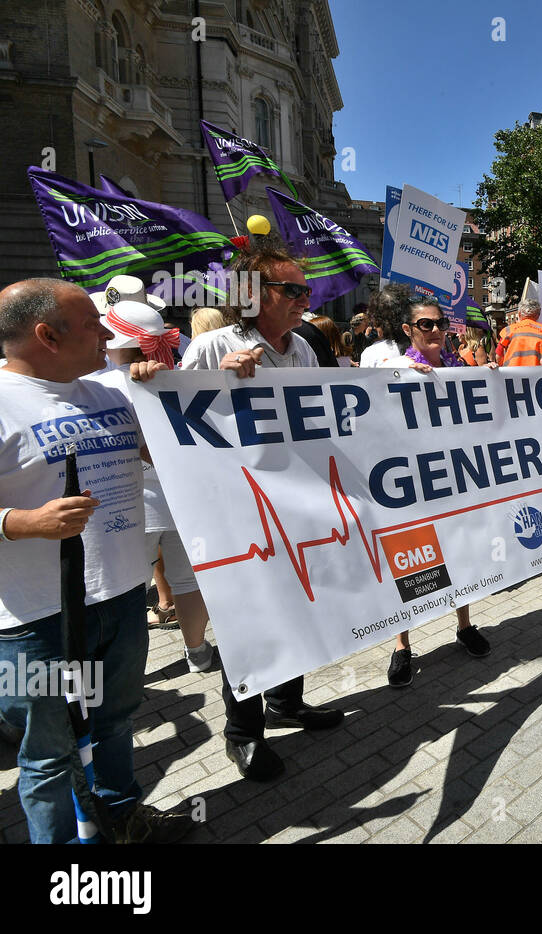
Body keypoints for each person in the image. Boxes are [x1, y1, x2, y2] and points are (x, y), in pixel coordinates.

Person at [0, 278, 193, 842]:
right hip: (39, 619)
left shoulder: (108, 393)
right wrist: (22, 522)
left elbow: (169, 447)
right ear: (47, 336)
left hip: (123, 594)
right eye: (92, 324)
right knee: (50, 754)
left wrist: (194, 387)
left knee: (113, 723)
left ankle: (122, 816)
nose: (107, 333)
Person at [180, 241, 345, 781]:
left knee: (299, 605)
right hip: (238, 512)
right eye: (291, 289)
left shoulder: (301, 348)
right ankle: (243, 732)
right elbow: (171, 415)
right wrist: (214, 381)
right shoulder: (212, 348)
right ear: (252, 294)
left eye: (305, 289)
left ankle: (287, 701)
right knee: (247, 618)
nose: (304, 297)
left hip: (294, 500)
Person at [91, 294, 215, 674]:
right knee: (188, 582)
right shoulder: (179, 379)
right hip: (182, 500)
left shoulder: (96, 388)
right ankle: (197, 652)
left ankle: (126, 669)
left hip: (126, 506)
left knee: (125, 590)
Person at [376, 289, 492, 686]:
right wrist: (400, 373)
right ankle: (402, 646)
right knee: (412, 562)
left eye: (440, 323)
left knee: (458, 555)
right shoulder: (397, 365)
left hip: (455, 480)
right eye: (426, 324)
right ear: (409, 329)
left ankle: (464, 626)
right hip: (413, 483)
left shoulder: (458, 363)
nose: (435, 330)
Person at [495, 299, 542, 369]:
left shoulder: (508, 330)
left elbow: (499, 357)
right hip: (540, 375)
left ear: (519, 314)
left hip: (512, 375)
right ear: (538, 315)